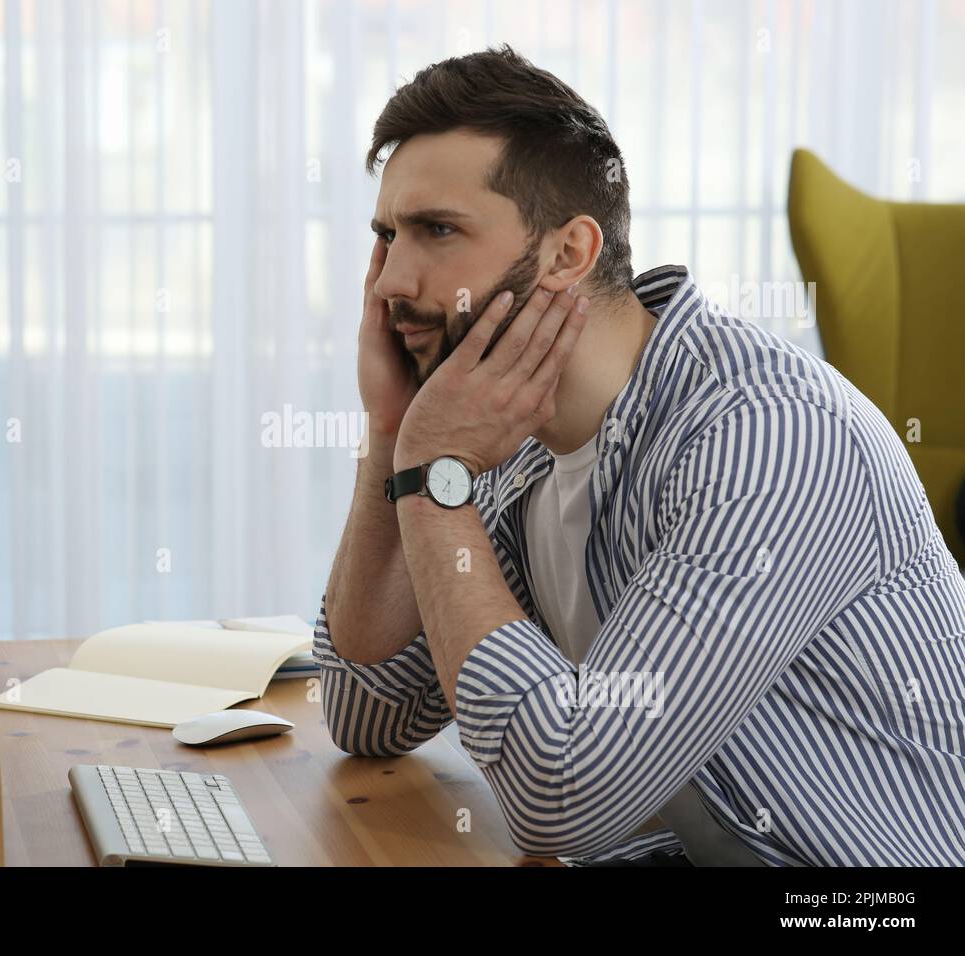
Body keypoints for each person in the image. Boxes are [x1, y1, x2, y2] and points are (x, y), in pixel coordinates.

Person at [315, 44, 965, 866]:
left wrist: (436, 481)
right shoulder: (516, 439)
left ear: (568, 255)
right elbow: (369, 712)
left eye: (437, 231)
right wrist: (394, 432)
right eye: (386, 236)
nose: (389, 283)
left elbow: (566, 801)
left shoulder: (764, 435)